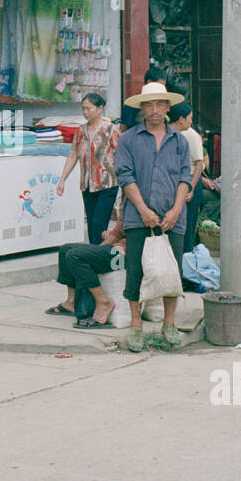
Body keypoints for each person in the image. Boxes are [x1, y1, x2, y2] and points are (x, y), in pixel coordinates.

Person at [114, 81, 191, 352]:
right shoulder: (129, 139)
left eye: (160, 104)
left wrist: (176, 209)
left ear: (168, 107)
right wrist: (144, 210)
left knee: (172, 271)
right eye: (149, 105)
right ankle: (136, 325)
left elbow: (185, 176)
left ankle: (169, 323)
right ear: (142, 108)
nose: (155, 110)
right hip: (138, 218)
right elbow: (125, 175)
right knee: (135, 269)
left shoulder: (179, 140)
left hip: (174, 218)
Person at [47, 202, 126, 328]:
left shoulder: (135, 192)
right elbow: (120, 229)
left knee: (75, 256)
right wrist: (110, 235)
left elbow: (121, 231)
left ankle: (103, 302)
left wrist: (103, 246)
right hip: (116, 246)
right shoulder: (128, 191)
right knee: (65, 249)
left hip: (125, 253)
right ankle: (71, 302)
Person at [57, 92, 120, 245]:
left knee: (99, 224)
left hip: (107, 184)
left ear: (99, 108)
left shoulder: (111, 130)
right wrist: (63, 179)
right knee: (91, 224)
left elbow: (121, 155)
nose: (85, 112)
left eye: (89, 109)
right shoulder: (80, 131)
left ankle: (98, 258)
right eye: (83, 109)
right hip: (87, 185)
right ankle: (94, 255)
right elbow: (73, 155)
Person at [168, 100, 207, 250]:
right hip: (173, 185)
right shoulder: (167, 134)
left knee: (188, 225)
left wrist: (191, 187)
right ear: (181, 119)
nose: (192, 121)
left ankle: (186, 258)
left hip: (191, 183)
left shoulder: (192, 135)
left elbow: (199, 164)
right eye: (190, 117)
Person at [120, 67, 169, 131]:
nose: (155, 110)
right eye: (149, 105)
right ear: (149, 82)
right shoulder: (131, 105)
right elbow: (123, 128)